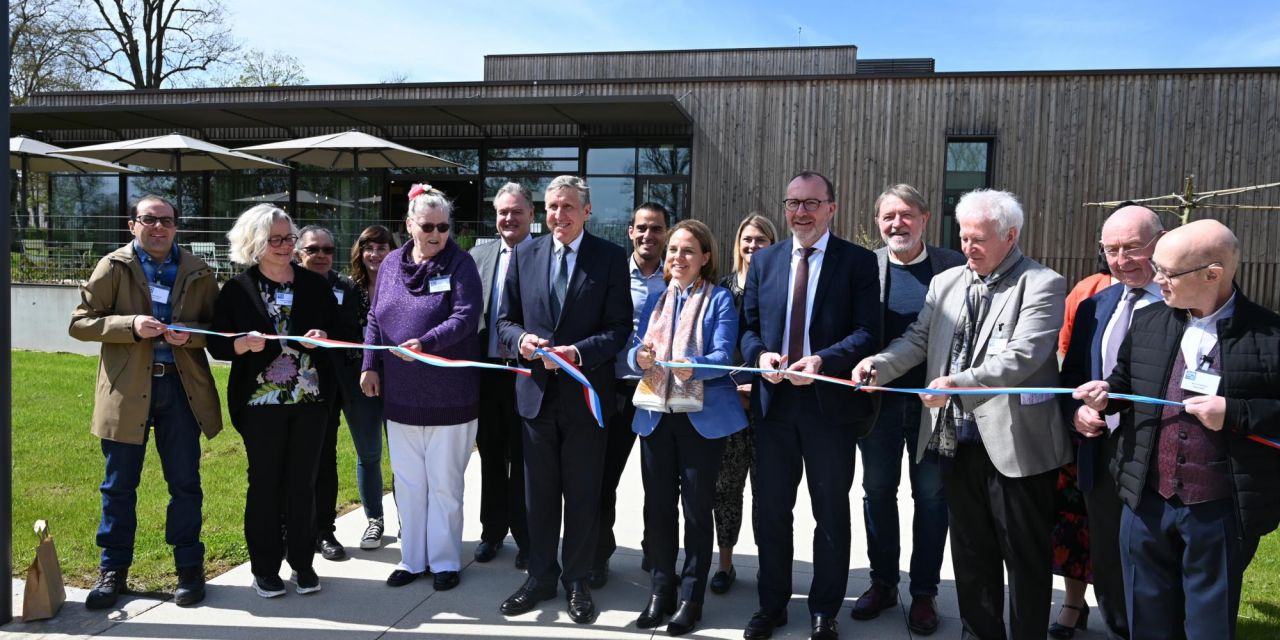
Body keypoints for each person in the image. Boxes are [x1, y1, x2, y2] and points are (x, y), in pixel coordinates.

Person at [852, 188, 1072, 640]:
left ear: (1010, 237)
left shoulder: (1043, 283)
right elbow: (917, 340)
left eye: (979, 240)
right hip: (955, 441)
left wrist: (958, 385)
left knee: (1023, 558)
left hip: (1017, 447)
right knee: (971, 553)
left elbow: (1023, 355)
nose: (968, 248)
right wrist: (879, 365)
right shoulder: (947, 282)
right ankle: (979, 631)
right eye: (964, 237)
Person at [1074, 219, 1280, 640]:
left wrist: (1235, 412)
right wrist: (1105, 394)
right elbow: (1125, 381)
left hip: (1220, 507)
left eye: (1168, 272)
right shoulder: (1149, 321)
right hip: (1146, 501)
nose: (1158, 279)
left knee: (1208, 624)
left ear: (1213, 274)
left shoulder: (1270, 336)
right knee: (1146, 618)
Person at [740, 171, 881, 640]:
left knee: (830, 512)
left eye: (811, 204)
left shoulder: (858, 263)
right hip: (774, 406)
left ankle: (825, 609)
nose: (801, 212)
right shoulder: (765, 262)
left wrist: (823, 360)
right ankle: (771, 605)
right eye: (793, 203)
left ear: (831, 208)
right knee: (772, 511)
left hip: (827, 409)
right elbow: (748, 328)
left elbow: (867, 332)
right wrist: (760, 356)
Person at [70, 195, 222, 609]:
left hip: (180, 388)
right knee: (118, 486)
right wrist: (130, 325)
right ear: (132, 224)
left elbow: (218, 330)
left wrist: (188, 335)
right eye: (150, 220)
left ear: (177, 226)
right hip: (126, 390)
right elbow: (79, 322)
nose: (159, 228)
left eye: (167, 221)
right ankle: (112, 570)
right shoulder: (114, 265)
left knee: (185, 485)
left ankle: (189, 569)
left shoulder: (197, 269)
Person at [496, 175, 632, 624]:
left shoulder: (610, 258)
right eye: (553, 206)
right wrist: (523, 342)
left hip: (586, 398)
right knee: (538, 495)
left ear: (587, 211)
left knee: (582, 494)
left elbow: (618, 329)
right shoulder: (524, 254)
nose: (559, 215)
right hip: (536, 398)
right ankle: (539, 576)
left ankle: (576, 579)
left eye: (568, 206)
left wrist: (576, 354)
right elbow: (504, 321)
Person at [207, 204, 355, 598]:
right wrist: (239, 343)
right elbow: (215, 342)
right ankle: (265, 568)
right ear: (256, 242)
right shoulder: (238, 289)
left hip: (309, 401)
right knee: (265, 485)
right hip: (259, 406)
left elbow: (343, 331)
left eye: (289, 238)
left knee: (302, 484)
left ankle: (303, 564)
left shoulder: (314, 284)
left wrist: (323, 336)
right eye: (277, 239)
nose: (286, 246)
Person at [851, 184, 963, 635]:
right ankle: (882, 583)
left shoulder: (953, 267)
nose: (897, 224)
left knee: (932, 499)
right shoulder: (865, 267)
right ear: (878, 223)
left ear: (925, 218)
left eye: (906, 215)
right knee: (877, 493)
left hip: (934, 407)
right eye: (888, 217)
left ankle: (924, 593)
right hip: (877, 407)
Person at [628, 219, 747, 636]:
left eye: (688, 251)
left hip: (701, 422)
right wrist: (637, 360)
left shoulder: (719, 301)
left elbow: (724, 356)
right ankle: (661, 590)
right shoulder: (656, 300)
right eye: (674, 250)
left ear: (705, 259)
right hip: (655, 417)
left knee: (696, 513)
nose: (678, 257)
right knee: (657, 509)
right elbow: (635, 347)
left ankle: (691, 598)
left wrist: (693, 367)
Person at [361, 184, 483, 592]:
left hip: (450, 397)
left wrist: (425, 345)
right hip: (401, 395)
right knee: (409, 483)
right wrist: (369, 364)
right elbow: (375, 319)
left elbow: (467, 316)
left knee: (445, 484)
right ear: (409, 224)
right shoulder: (392, 263)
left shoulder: (460, 264)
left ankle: (445, 560)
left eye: (444, 226)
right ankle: (413, 558)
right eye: (427, 225)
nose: (436, 234)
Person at [1056, 205, 1164, 640]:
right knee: (1108, 554)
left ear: (1160, 243)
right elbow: (1072, 377)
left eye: (1133, 248)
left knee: (1155, 557)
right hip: (1101, 454)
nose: (1121, 260)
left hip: (1160, 457)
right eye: (1112, 250)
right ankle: (1118, 628)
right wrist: (1077, 411)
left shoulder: (1183, 304)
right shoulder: (1094, 306)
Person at [592, 201, 669, 587]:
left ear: (666, 233)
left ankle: (655, 553)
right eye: (641, 228)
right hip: (618, 389)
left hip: (664, 393)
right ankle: (599, 555)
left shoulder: (677, 278)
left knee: (659, 483)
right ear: (630, 232)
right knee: (604, 479)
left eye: (656, 229)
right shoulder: (613, 274)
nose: (647, 236)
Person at [294, 225, 376, 561]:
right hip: (293, 385)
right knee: (296, 462)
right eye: (313, 249)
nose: (321, 256)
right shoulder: (285, 285)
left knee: (325, 459)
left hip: (334, 386)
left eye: (328, 250)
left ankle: (324, 532)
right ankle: (295, 529)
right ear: (299, 252)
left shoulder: (345, 286)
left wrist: (330, 333)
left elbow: (354, 329)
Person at [710, 213, 776, 595]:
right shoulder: (722, 289)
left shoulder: (779, 288)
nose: (752, 247)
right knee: (726, 488)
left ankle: (769, 564)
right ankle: (726, 564)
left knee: (768, 492)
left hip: (768, 405)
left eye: (761, 240)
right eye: (747, 239)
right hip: (727, 404)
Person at [470, 183, 535, 568]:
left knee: (525, 459)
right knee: (491, 455)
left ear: (531, 215)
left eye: (516, 212)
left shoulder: (543, 256)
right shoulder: (477, 256)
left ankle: (527, 536)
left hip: (527, 373)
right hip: (488, 371)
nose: (508, 219)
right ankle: (492, 531)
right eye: (502, 213)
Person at [344, 224, 398, 550]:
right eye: (369, 248)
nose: (375, 254)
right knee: (368, 454)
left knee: (404, 456)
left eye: (382, 247)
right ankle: (374, 520)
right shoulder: (349, 289)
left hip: (400, 382)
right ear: (360, 252)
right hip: (360, 382)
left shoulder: (405, 285)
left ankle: (409, 519)